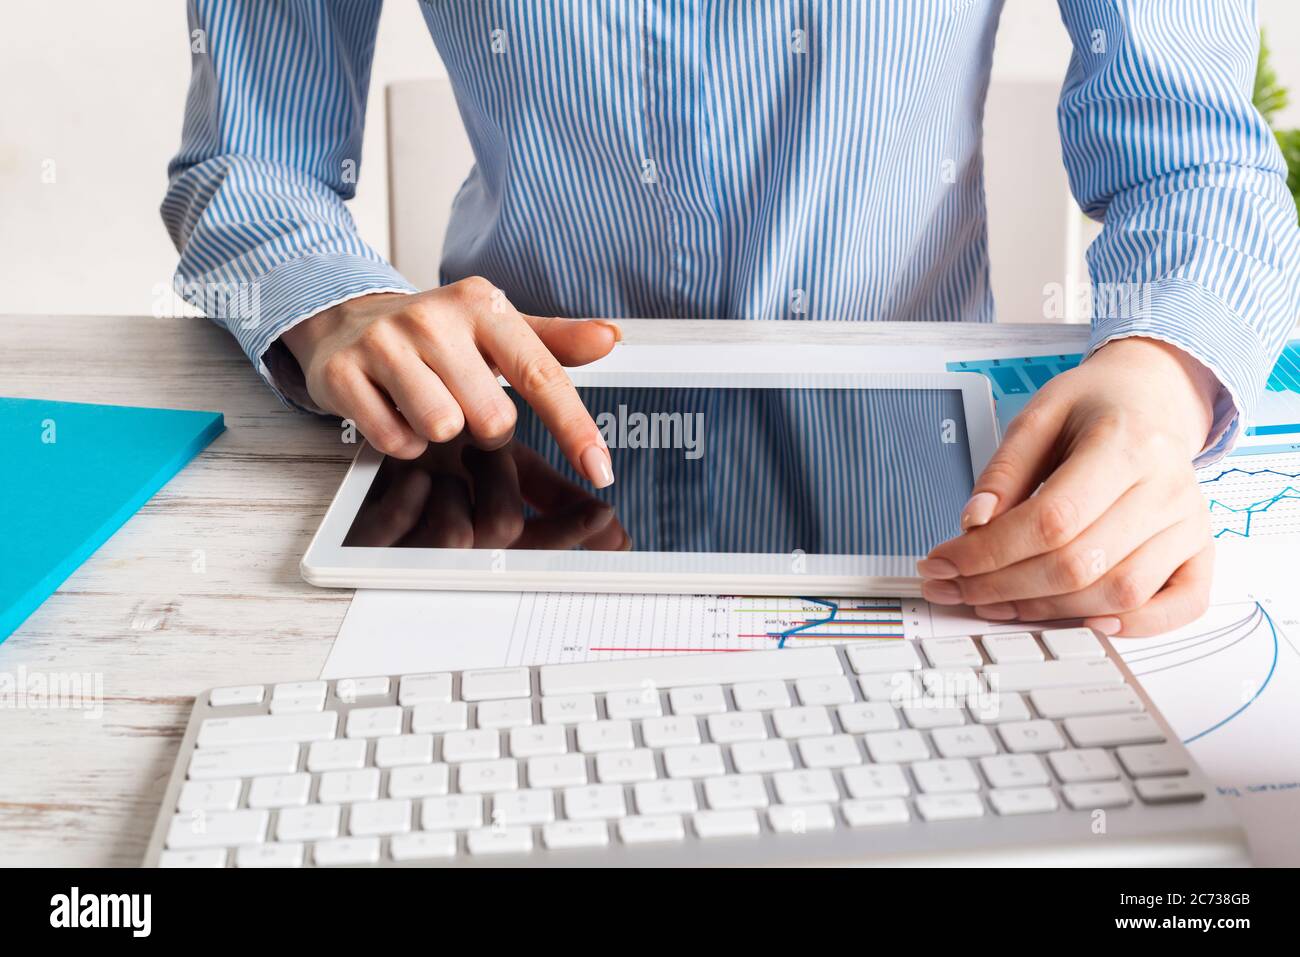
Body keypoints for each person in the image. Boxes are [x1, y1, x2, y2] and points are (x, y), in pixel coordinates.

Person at [163, 1, 1300, 637]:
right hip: (503, 483)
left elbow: (1195, 156)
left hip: (929, 503)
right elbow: (252, 163)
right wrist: (341, 300)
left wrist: (1159, 373)